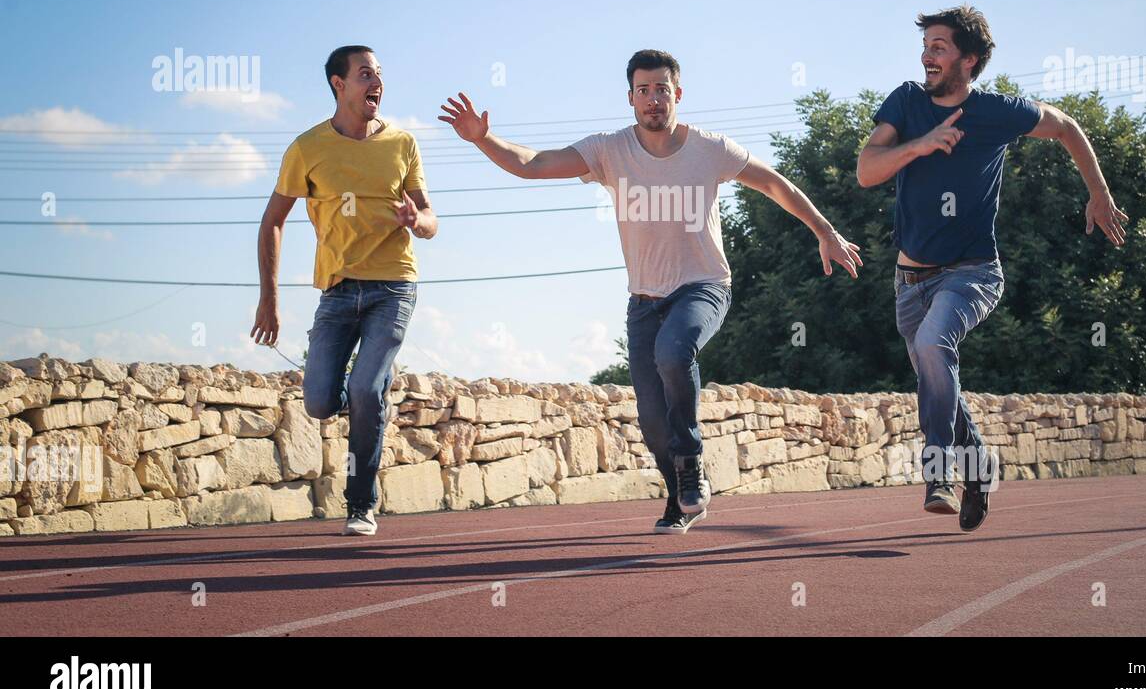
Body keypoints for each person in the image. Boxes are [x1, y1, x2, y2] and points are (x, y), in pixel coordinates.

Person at [439, 49, 861, 534]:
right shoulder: (609, 150)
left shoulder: (709, 148)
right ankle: (679, 495)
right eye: (643, 91)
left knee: (675, 351)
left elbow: (773, 184)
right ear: (631, 99)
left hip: (704, 286)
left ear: (677, 94)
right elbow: (533, 164)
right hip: (643, 302)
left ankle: (691, 462)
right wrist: (483, 138)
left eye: (662, 89)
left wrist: (824, 230)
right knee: (652, 421)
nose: (653, 99)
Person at [857, 6, 1128, 532]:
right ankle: (979, 465)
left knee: (936, 348)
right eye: (925, 46)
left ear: (969, 59)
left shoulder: (997, 112)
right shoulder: (907, 102)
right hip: (909, 281)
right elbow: (867, 170)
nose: (926, 56)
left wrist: (1098, 193)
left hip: (973, 271)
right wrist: (920, 144)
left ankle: (938, 474)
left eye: (939, 47)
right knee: (937, 376)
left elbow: (1067, 127)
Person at [251, 45, 437, 536]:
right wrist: (269, 299)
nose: (376, 83)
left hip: (393, 285)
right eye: (365, 75)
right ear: (339, 84)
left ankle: (360, 503)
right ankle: (371, 393)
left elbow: (431, 220)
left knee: (364, 388)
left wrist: (417, 220)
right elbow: (272, 221)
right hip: (335, 291)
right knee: (317, 401)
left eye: (379, 74)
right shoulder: (307, 148)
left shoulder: (402, 143)